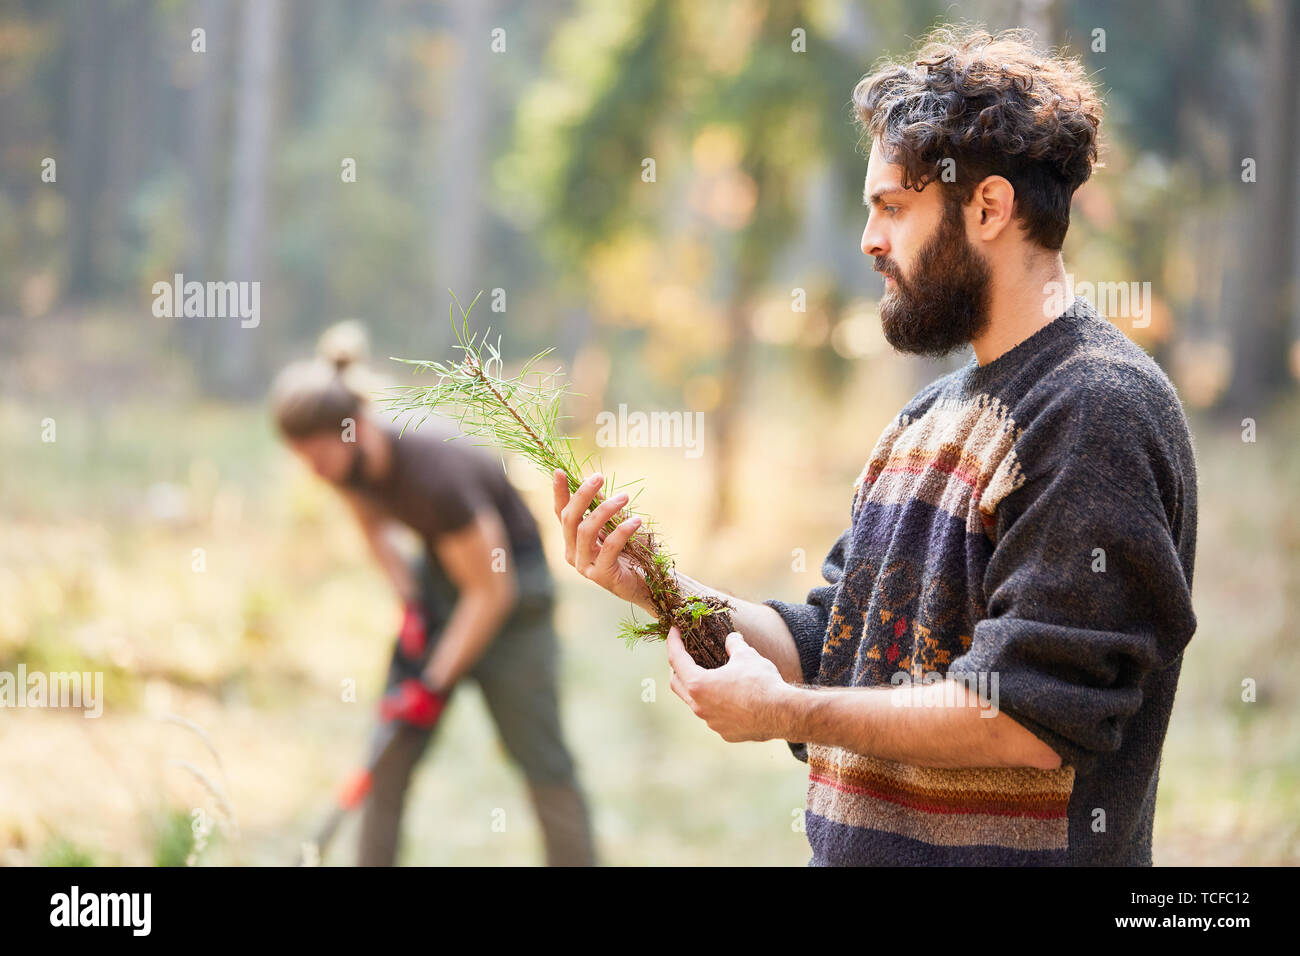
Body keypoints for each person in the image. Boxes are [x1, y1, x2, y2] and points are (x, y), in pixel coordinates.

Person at [551, 27, 1197, 866]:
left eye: (892, 206)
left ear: (989, 208)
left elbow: (1028, 720)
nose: (869, 239)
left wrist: (787, 713)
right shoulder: (927, 420)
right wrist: (660, 587)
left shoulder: (1092, 410)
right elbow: (834, 646)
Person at [271, 321, 597, 867]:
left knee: (542, 760)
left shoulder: (436, 476)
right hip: (445, 585)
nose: (314, 472)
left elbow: (492, 592)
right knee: (388, 756)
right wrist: (413, 602)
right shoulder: (347, 468)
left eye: (317, 457)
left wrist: (432, 680)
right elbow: (374, 530)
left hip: (514, 598)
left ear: (353, 428)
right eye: (303, 460)